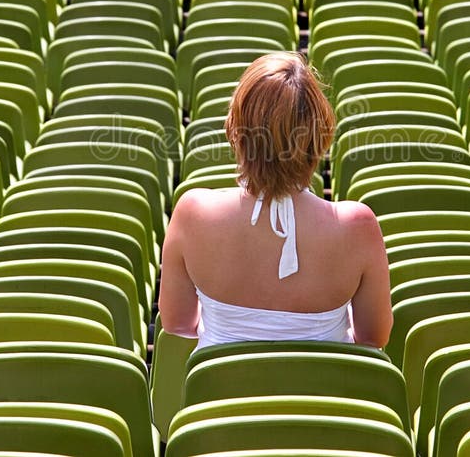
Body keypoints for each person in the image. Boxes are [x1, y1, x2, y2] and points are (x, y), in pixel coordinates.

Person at [158, 51, 393, 350]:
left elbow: (176, 325)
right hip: (325, 396)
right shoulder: (358, 226)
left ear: (234, 130)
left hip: (223, 396)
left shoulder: (192, 214)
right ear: (319, 138)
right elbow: (374, 338)